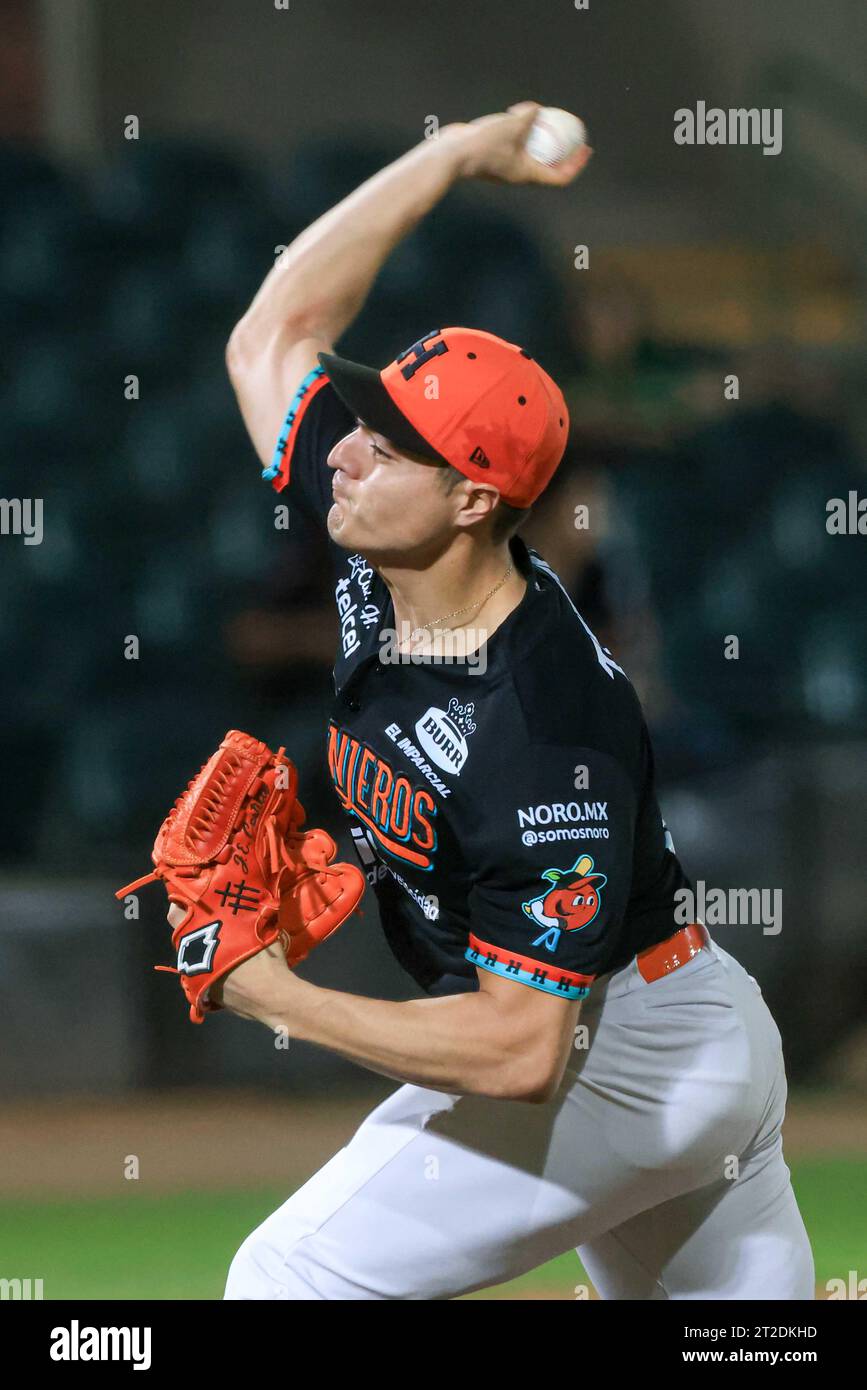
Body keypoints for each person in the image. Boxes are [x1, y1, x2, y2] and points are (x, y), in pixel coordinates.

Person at [178, 102, 813, 1299]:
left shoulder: (541, 727)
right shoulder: (385, 556)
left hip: (619, 1054)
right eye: (364, 424)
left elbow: (523, 1052)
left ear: (473, 499)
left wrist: (279, 998)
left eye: (391, 445)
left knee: (284, 1279)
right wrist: (453, 154)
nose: (350, 453)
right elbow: (275, 330)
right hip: (689, 1025)